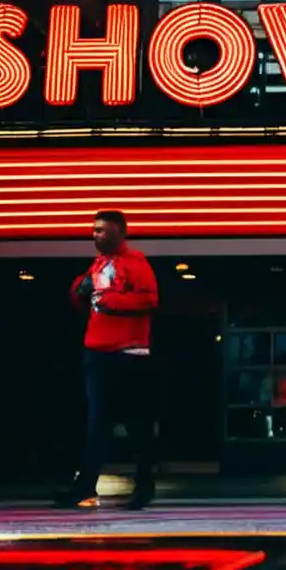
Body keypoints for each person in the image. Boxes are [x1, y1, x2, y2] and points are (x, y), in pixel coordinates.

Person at [55, 210, 160, 510]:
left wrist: (110, 301)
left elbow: (150, 299)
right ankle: (85, 488)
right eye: (95, 230)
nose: (96, 235)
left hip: (129, 354)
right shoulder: (99, 264)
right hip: (97, 353)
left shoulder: (136, 262)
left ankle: (143, 488)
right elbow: (81, 298)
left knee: (136, 424)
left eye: (103, 230)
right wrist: (79, 290)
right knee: (95, 424)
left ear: (119, 233)